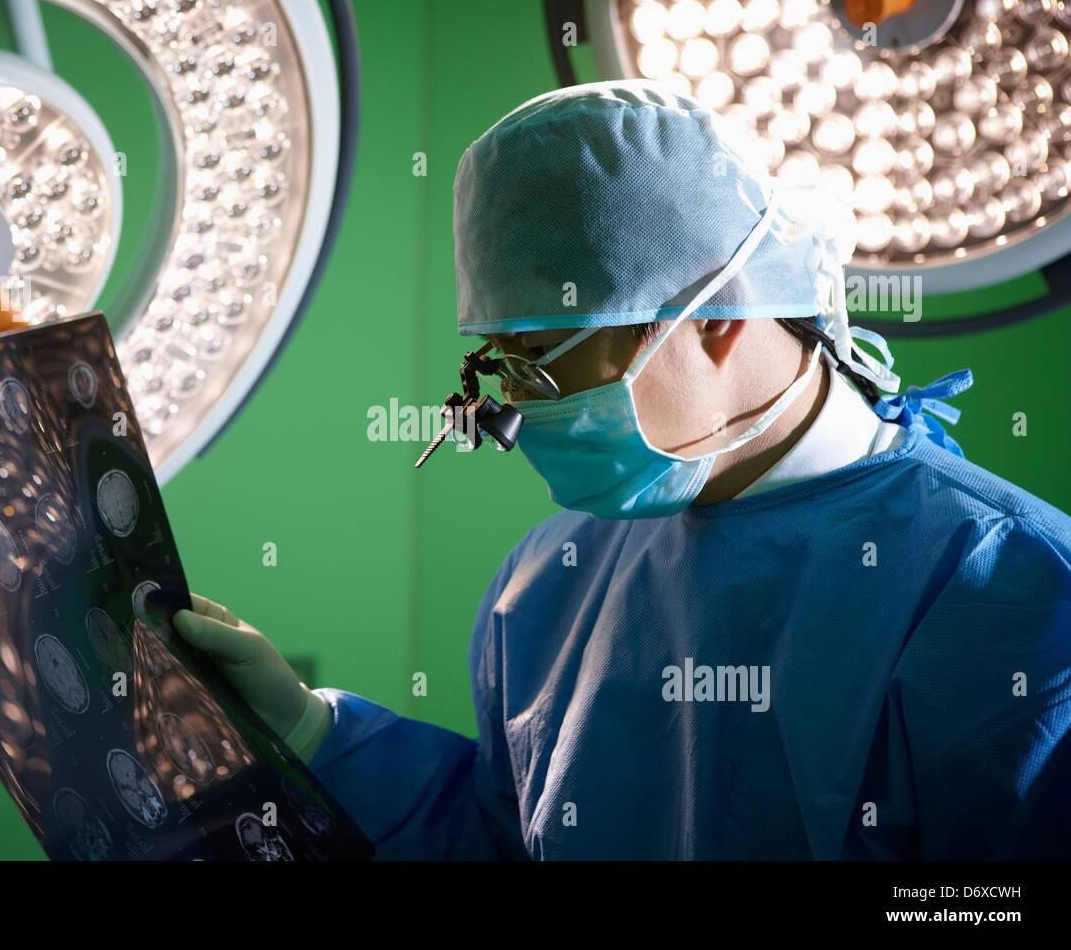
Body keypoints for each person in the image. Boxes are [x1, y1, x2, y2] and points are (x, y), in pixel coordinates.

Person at [172, 82, 1071, 859]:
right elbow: (504, 842)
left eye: (543, 360)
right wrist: (309, 733)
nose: (520, 409)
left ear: (717, 313)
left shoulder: (1017, 597)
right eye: (500, 366)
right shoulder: (547, 580)